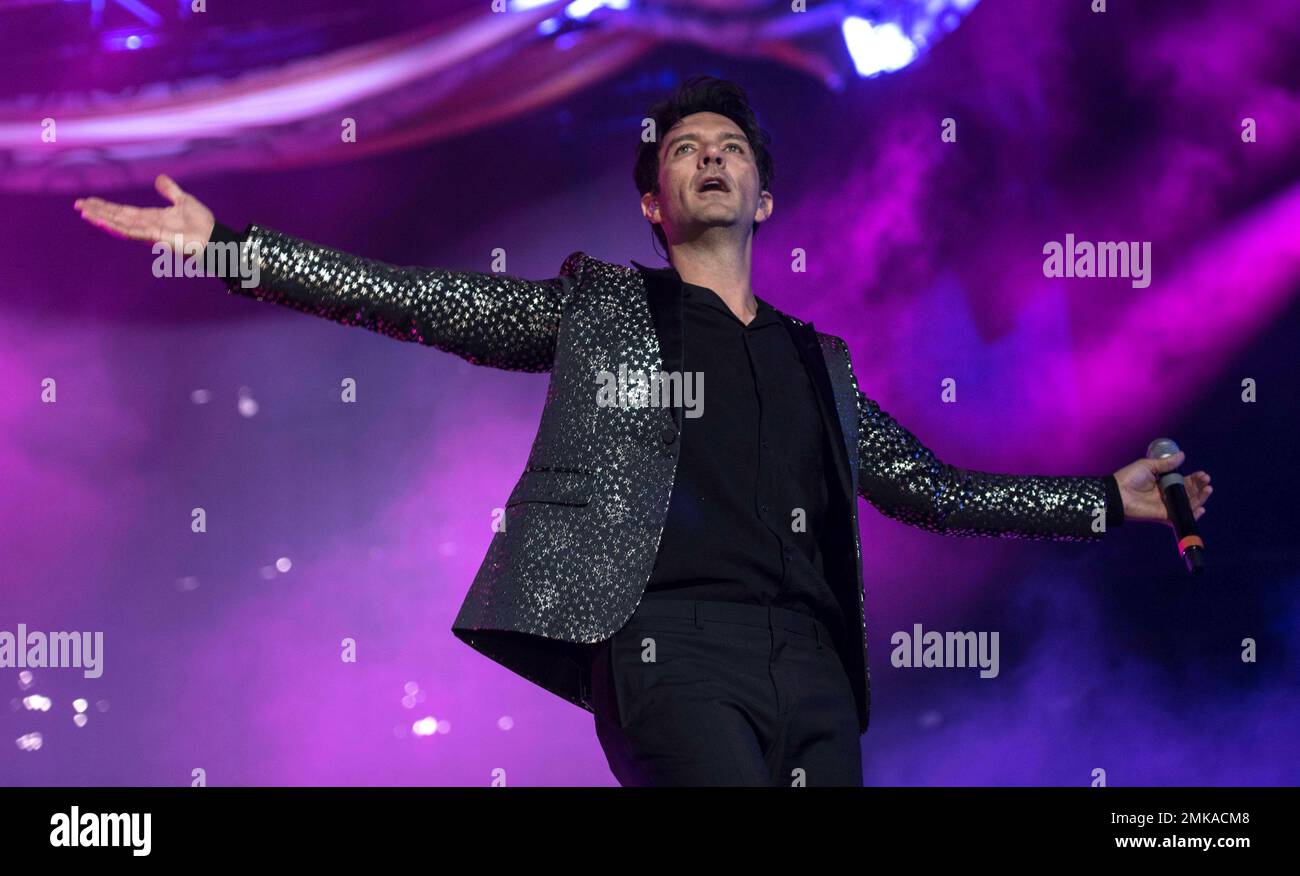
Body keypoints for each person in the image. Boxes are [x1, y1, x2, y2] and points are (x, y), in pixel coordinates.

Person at [74, 75, 1213, 786]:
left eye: (730, 147)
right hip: (668, 650)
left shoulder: (819, 361)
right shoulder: (596, 307)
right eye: (683, 149)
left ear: (764, 197)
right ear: (652, 204)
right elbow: (416, 299)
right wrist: (230, 245)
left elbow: (928, 487)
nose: (709, 155)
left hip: (812, 667)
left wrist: (1105, 498)